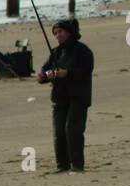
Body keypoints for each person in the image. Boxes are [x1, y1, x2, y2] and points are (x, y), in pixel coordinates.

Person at [36, 18, 94, 172]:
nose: (57, 35)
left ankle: (77, 165)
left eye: (60, 32)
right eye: (55, 33)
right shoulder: (56, 52)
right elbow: (47, 71)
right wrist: (44, 76)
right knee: (59, 131)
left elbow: (86, 71)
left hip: (78, 97)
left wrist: (67, 73)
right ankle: (62, 165)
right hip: (59, 97)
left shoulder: (83, 51)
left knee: (72, 130)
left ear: (69, 32)